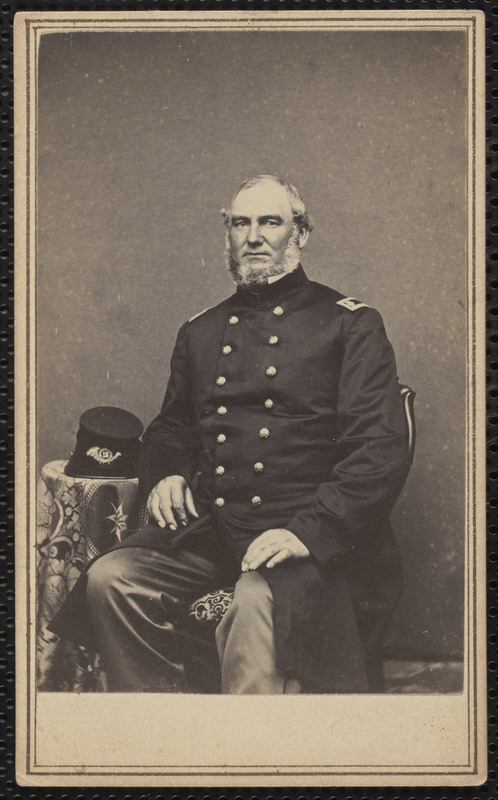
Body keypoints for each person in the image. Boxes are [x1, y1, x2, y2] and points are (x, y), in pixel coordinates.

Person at [51, 175, 410, 694]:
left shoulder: (350, 324)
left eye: (271, 222)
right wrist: (169, 473)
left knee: (255, 597)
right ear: (228, 236)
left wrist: (306, 533)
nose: (255, 236)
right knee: (112, 580)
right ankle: (159, 733)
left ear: (300, 234)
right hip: (217, 534)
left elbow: (379, 449)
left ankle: (248, 757)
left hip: (309, 543)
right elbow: (172, 425)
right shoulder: (200, 330)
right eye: (241, 223)